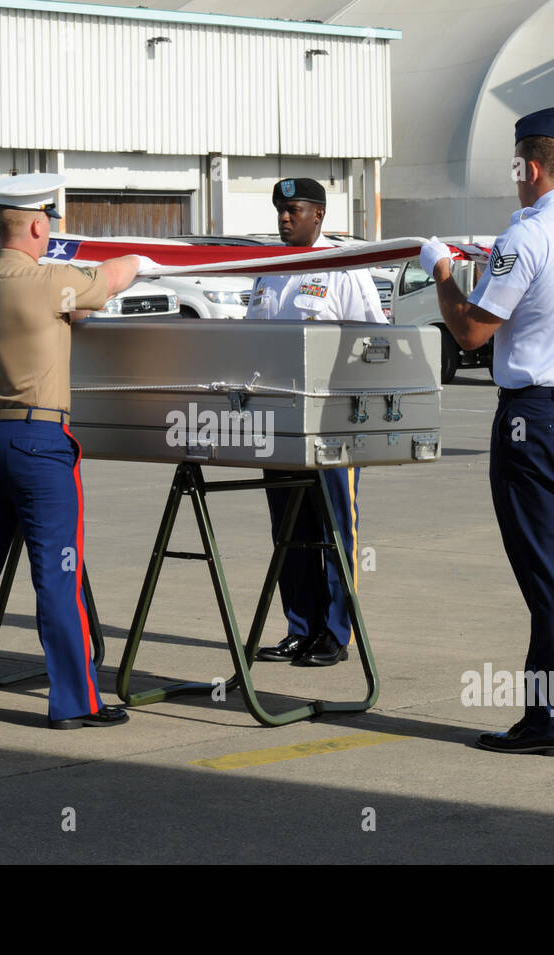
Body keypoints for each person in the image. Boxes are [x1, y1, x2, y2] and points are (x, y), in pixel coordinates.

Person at [422, 107, 554, 756]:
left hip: (536, 420)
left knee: (549, 577)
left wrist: (442, 271)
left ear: (530, 167)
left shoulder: (525, 237)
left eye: (517, 168)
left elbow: (472, 331)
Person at [0, 173, 141, 728]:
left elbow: (58, 314)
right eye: (48, 228)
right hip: (38, 441)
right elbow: (115, 276)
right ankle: (74, 701)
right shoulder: (46, 281)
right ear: (40, 225)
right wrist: (141, 257)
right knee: (56, 571)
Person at [247, 177, 387, 667]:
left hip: (331, 422)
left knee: (333, 528)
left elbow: (374, 343)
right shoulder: (269, 271)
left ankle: (335, 632)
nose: (285, 218)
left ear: (319, 216)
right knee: (289, 528)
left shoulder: (344, 270)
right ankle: (299, 627)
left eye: (294, 210)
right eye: (280, 210)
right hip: (281, 423)